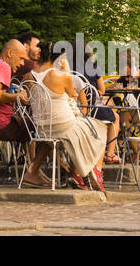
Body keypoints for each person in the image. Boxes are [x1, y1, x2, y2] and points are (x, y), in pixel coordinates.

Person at [26, 41, 107, 190]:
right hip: (63, 126)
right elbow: (74, 97)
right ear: (59, 57)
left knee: (57, 137)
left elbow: (26, 98)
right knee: (99, 127)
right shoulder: (62, 76)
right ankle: (93, 169)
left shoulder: (28, 76)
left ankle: (33, 172)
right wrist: (67, 72)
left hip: (41, 127)